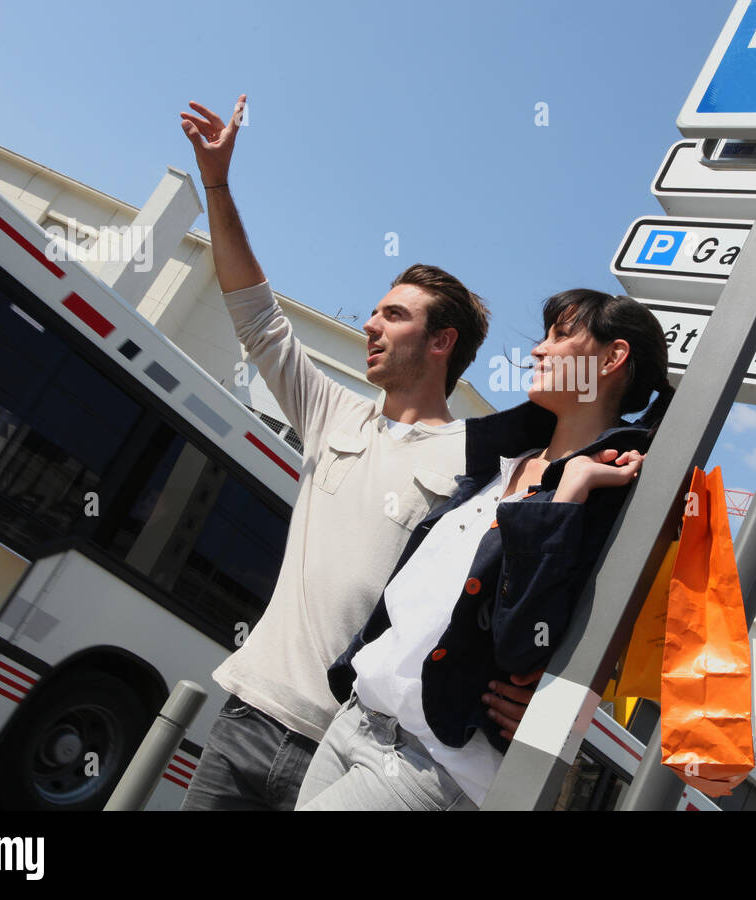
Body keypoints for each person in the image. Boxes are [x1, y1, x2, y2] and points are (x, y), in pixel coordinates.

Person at [177, 96, 537, 810]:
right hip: (245, 720)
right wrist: (217, 184)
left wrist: (530, 696)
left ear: (442, 344)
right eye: (375, 310)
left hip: (357, 756)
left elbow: (511, 602)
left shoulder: (480, 470)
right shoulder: (329, 413)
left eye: (394, 315)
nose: (370, 323)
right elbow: (254, 311)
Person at [294, 288, 673, 810]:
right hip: (358, 716)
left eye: (562, 336)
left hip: (435, 762)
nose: (539, 350)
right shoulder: (499, 462)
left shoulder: (609, 495)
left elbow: (524, 642)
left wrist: (567, 493)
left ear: (613, 358)